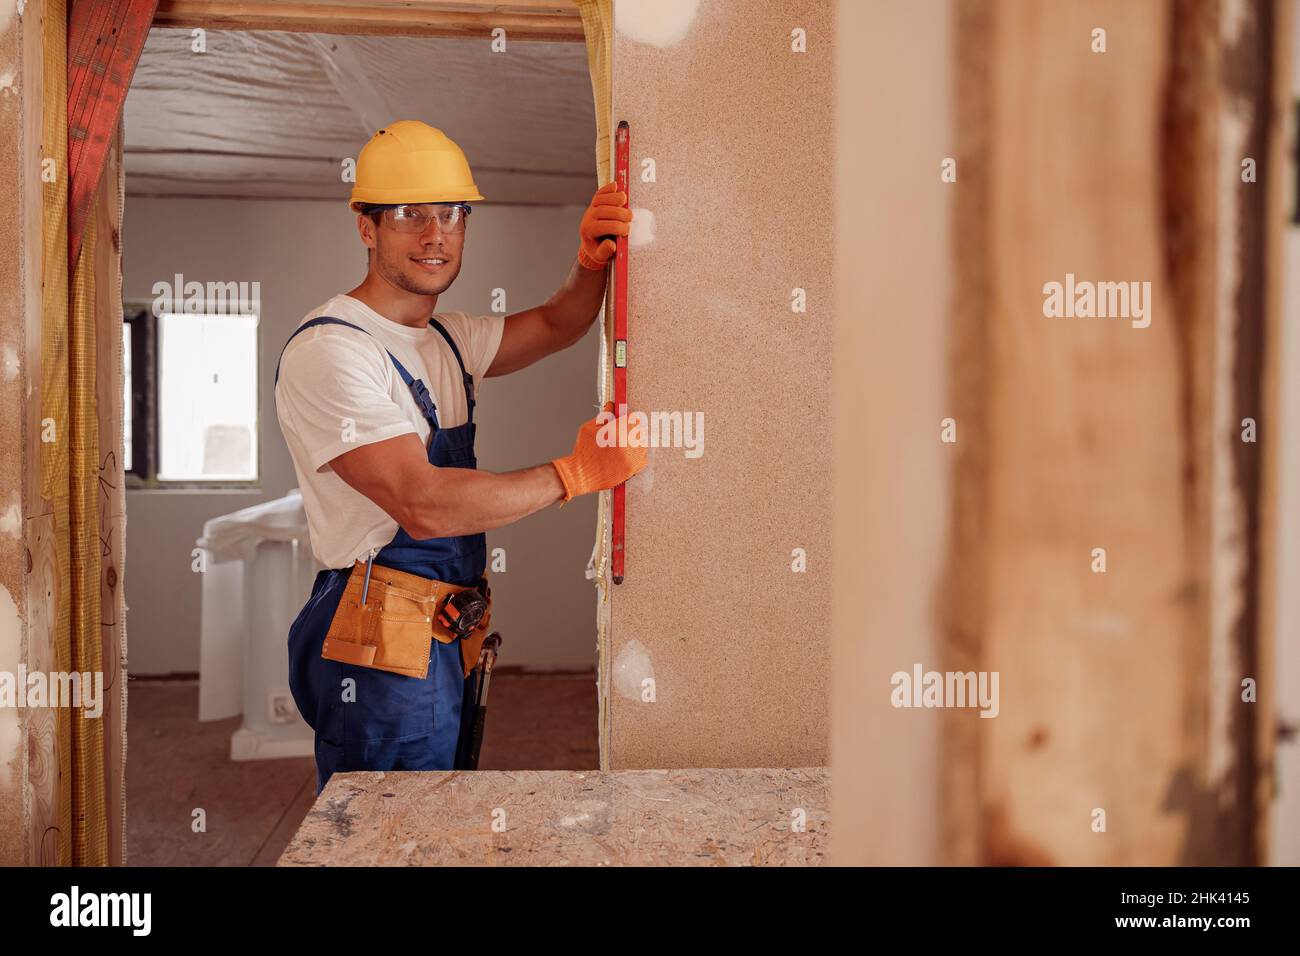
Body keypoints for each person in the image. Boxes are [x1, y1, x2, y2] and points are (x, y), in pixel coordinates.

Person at [274, 120, 645, 793]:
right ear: (366, 226)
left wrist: (593, 259)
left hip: (439, 631)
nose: (433, 234)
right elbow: (424, 504)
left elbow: (560, 321)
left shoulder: (444, 337)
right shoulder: (334, 351)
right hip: (381, 647)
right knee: (385, 834)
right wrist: (573, 475)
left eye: (450, 213)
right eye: (410, 214)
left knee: (435, 818)